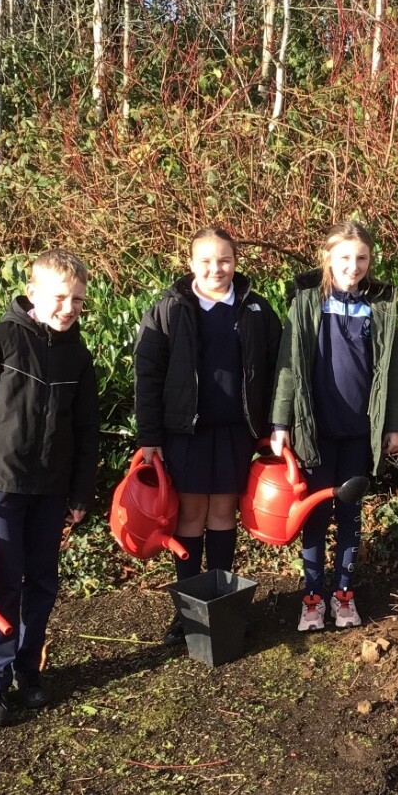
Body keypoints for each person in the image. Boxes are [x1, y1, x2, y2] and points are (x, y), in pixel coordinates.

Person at [0, 248, 100, 728]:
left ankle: (28, 671)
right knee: (4, 583)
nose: (68, 308)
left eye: (77, 300)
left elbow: (87, 431)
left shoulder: (79, 355)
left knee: (44, 581)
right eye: (60, 297)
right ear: (33, 293)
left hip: (52, 490)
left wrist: (80, 493)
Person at [134, 226, 282, 644]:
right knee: (190, 516)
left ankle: (221, 606)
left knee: (222, 514)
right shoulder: (168, 309)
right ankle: (187, 611)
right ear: (191, 264)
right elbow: (147, 375)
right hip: (186, 432)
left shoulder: (256, 309)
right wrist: (150, 435)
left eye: (225, 260)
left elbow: (276, 371)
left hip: (236, 432)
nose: (216, 268)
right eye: (207, 261)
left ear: (236, 262)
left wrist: (274, 425)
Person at [270, 221, 398, 631]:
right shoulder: (308, 302)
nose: (353, 265)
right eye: (345, 257)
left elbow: (392, 371)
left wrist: (393, 424)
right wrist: (281, 421)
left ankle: (344, 594)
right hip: (316, 431)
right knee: (314, 516)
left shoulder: (380, 307)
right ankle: (312, 597)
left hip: (359, 434)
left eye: (362, 258)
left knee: (350, 515)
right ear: (327, 257)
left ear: (370, 260)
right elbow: (289, 367)